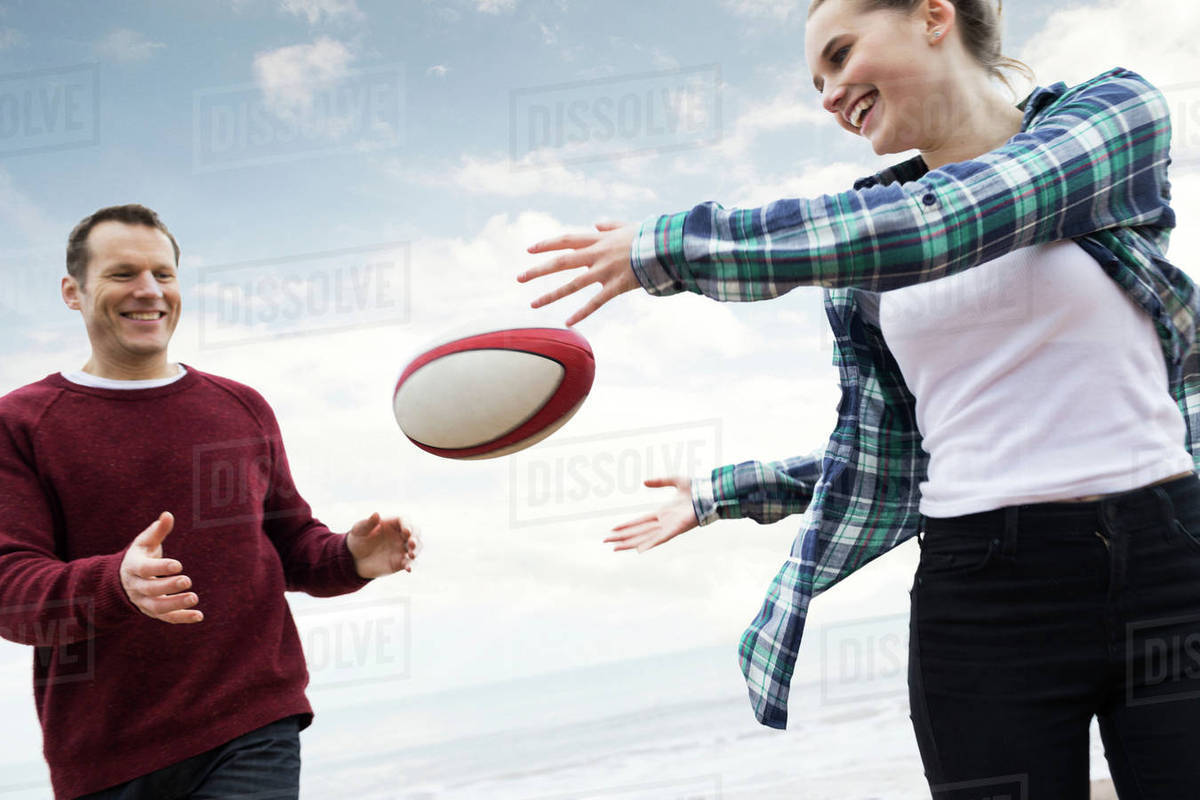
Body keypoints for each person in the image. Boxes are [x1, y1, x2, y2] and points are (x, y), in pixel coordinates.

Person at [517, 0, 1200, 796]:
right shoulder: (863, 264)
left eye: (840, 56)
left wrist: (669, 244)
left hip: (1170, 566)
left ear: (934, 16)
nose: (830, 95)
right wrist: (719, 494)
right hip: (985, 596)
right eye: (816, 80)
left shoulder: (1109, 122)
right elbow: (894, 457)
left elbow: (945, 223)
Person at [0, 204, 423, 800]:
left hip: (251, 723)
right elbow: (11, 591)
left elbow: (293, 545)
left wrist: (352, 557)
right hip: (104, 754)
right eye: (122, 274)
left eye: (163, 274)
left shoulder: (241, 406)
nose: (148, 291)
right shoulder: (21, 423)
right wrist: (117, 583)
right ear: (74, 292)